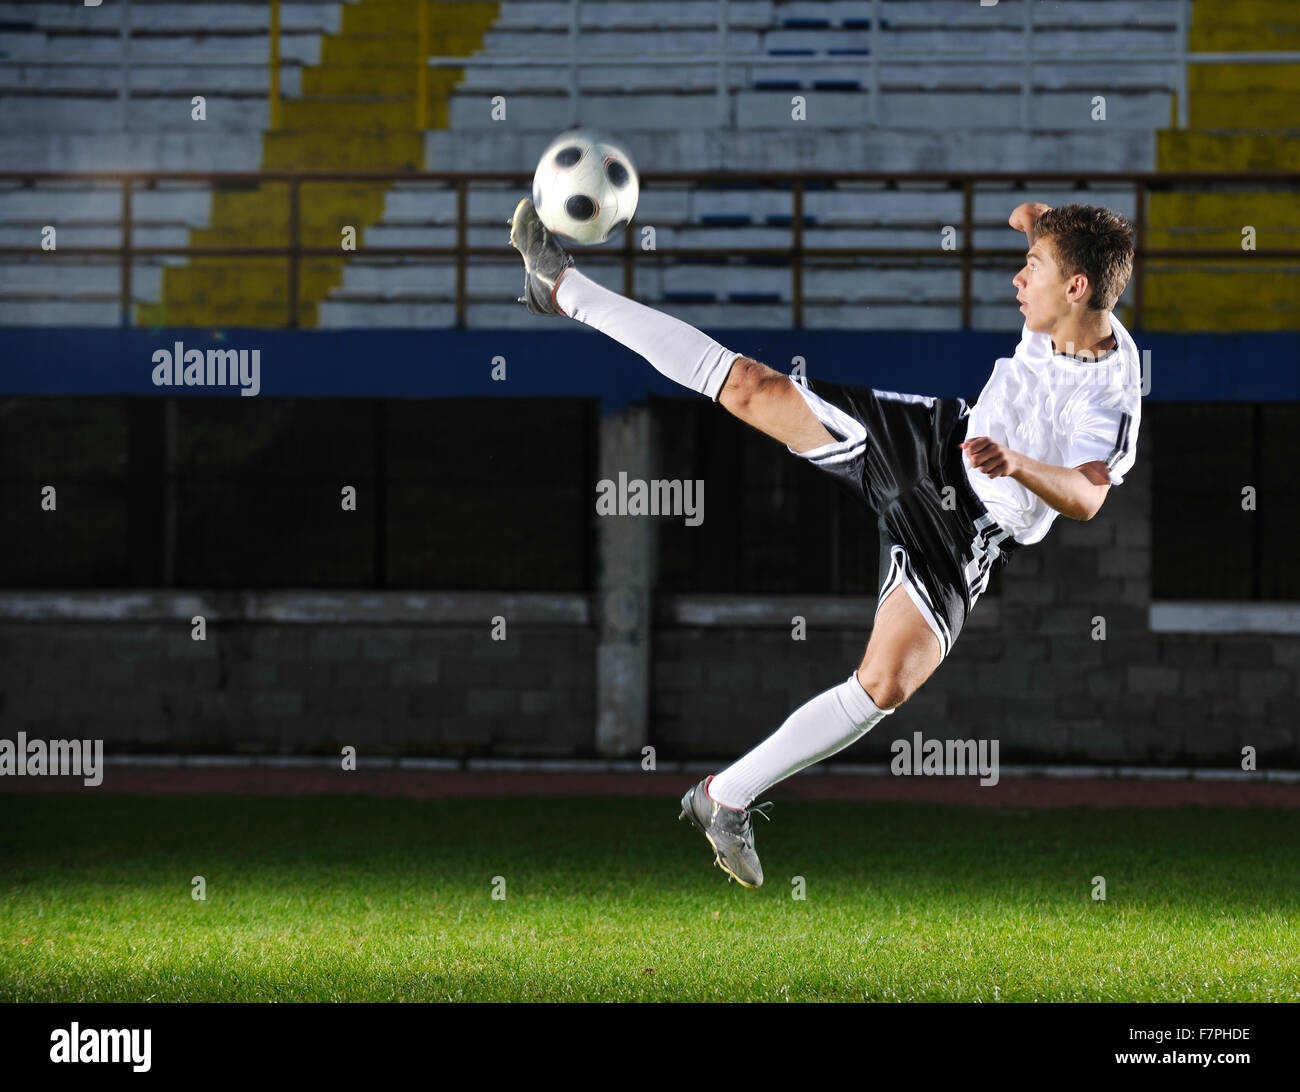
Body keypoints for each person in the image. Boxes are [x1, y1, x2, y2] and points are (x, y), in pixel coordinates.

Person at [508, 195, 1142, 887]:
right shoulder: (1072, 291)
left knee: (886, 684)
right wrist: (1037, 225)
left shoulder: (1110, 392)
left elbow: (1085, 496)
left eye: (1032, 269)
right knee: (751, 385)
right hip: (931, 445)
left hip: (966, 531)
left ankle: (724, 799)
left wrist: (1019, 465)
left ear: (1076, 289)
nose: (1017, 281)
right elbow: (1054, 237)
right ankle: (561, 285)